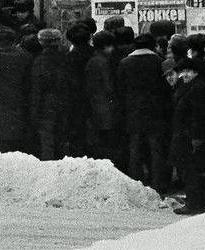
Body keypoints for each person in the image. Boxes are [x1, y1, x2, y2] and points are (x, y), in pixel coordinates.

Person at [116, 33, 171, 193]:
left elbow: (120, 89)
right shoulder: (159, 62)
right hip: (156, 112)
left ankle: (135, 184)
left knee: (135, 149)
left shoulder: (125, 63)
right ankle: (159, 185)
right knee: (156, 150)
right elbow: (165, 89)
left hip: (133, 112)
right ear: (153, 45)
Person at [0, 27, 33, 155]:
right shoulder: (25, 56)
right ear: (13, 41)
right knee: (18, 145)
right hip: (19, 105)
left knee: (0, 146)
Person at [170, 58, 205, 215]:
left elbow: (199, 115)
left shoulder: (197, 88)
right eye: (183, 71)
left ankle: (195, 203)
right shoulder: (190, 86)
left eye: (189, 71)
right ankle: (196, 201)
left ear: (196, 72)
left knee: (192, 170)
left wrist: (196, 137)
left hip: (191, 136)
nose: (185, 74)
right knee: (191, 170)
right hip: (186, 135)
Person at [30, 28, 70, 161]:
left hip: (46, 106)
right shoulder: (66, 58)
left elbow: (37, 89)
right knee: (62, 140)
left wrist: (34, 112)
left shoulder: (39, 61)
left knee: (47, 142)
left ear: (41, 42)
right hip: (65, 103)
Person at [85, 30, 120, 166]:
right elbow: (109, 86)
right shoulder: (103, 62)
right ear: (105, 46)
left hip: (96, 106)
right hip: (105, 107)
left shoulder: (93, 60)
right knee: (107, 142)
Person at [63, 24, 94, 156]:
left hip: (75, 101)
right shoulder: (95, 54)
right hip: (94, 99)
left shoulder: (68, 58)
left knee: (77, 136)